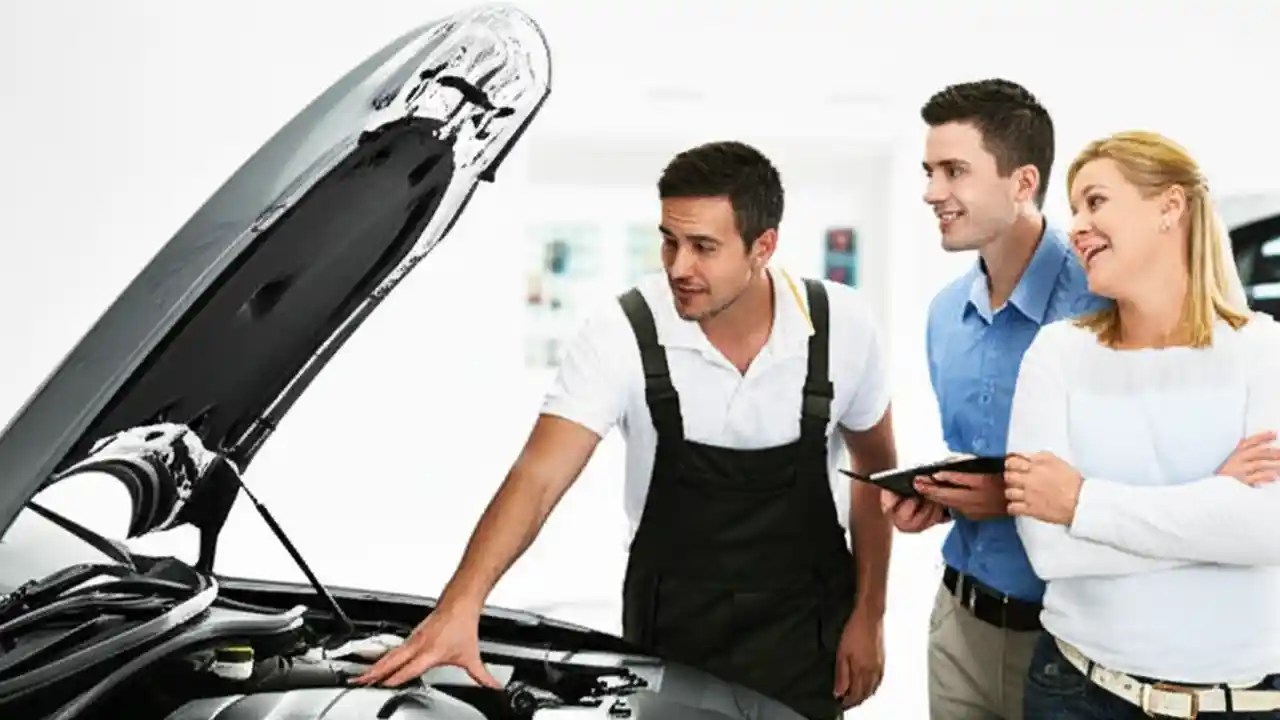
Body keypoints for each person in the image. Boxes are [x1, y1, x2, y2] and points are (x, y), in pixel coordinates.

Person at [356, 140, 899, 719]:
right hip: (673, 639)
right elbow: (538, 477)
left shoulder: (842, 327)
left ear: (763, 247)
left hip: (805, 635)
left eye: (703, 247)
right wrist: (461, 605)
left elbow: (875, 471)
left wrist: (870, 614)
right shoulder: (621, 332)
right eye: (669, 240)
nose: (678, 267)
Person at [1005, 130, 1280, 719]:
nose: (1076, 226)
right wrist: (1213, 509)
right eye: (1073, 209)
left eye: (1096, 202)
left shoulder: (1265, 349)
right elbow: (1048, 552)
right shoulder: (1057, 354)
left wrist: (1082, 502)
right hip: (1079, 693)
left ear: (1170, 207)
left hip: (1245, 702)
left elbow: (1267, 531)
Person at [883, 78, 1105, 720]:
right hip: (959, 622)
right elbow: (980, 456)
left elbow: (1147, 476)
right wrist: (941, 499)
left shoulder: (1100, 309)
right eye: (929, 171)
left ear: (1022, 181)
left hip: (1066, 644)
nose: (931, 193)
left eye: (954, 171)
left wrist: (1009, 497)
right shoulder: (945, 314)